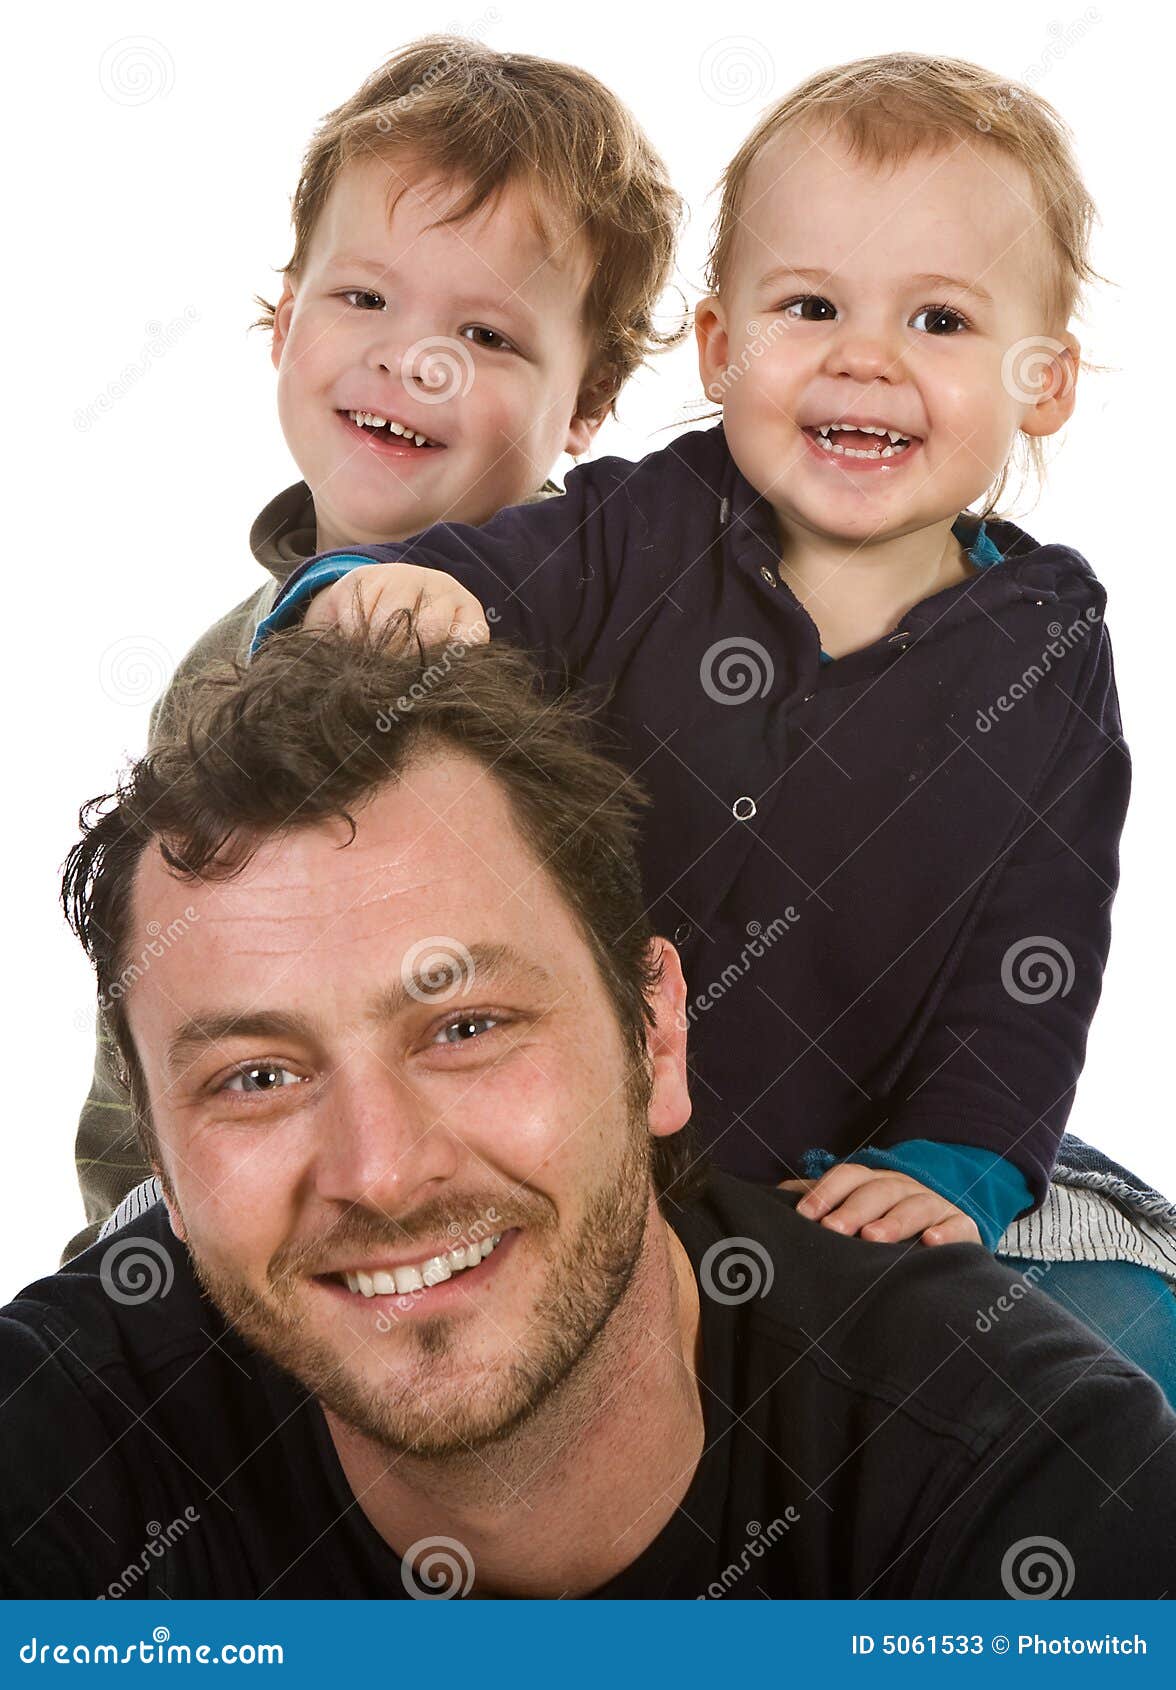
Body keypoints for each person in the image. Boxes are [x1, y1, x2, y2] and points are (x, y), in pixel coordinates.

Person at [247, 52, 1176, 1398]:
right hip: (564, 1169)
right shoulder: (645, 525)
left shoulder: (1046, 648)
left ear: (1044, 383)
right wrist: (383, 593)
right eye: (811, 307)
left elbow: (1039, 943)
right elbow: (488, 578)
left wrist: (956, 1161)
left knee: (1122, 1346)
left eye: (940, 322)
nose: (865, 357)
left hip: (840, 1177)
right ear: (723, 348)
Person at [5, 618, 1175, 1600]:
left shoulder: (1027, 1483)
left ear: (655, 1034)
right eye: (256, 1078)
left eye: (466, 1028)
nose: (381, 1170)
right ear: (155, 1145)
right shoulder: (58, 1447)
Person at [65, 33, 684, 1261]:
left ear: (590, 402)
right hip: (315, 1209)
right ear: (287, 316)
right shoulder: (219, 674)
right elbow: (156, 1017)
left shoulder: (632, 639)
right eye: (364, 298)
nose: (417, 356)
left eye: (493, 337)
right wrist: (131, 1251)